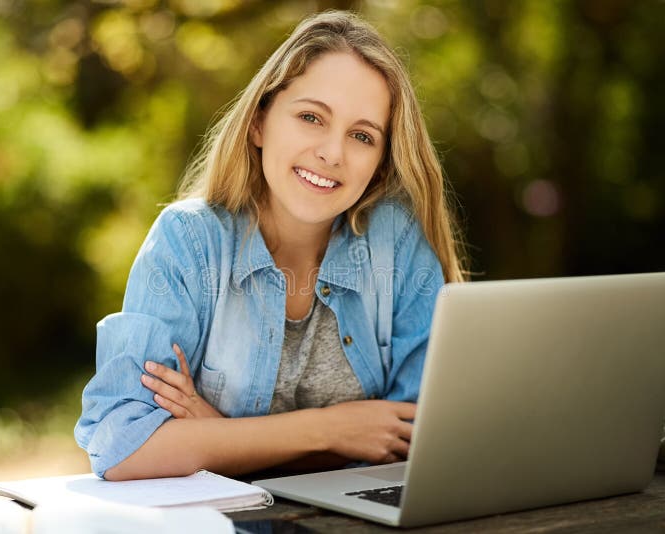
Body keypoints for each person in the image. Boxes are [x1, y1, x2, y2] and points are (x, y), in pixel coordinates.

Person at [75, 10, 467, 481]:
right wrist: (328, 431)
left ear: (380, 165)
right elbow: (121, 448)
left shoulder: (397, 244)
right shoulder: (188, 242)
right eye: (310, 117)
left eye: (362, 136)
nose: (333, 153)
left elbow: (416, 440)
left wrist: (216, 435)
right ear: (259, 123)